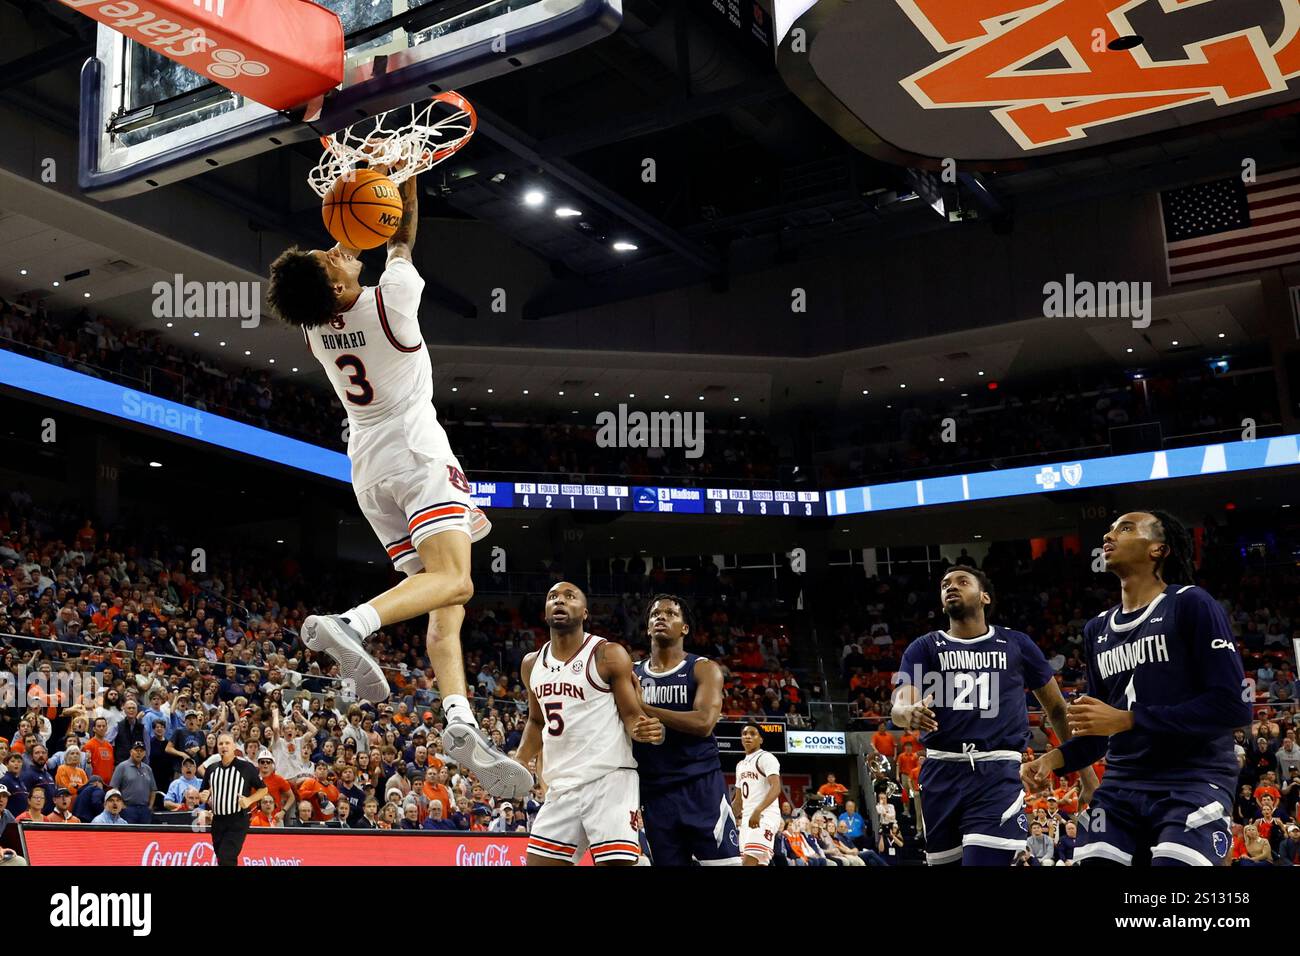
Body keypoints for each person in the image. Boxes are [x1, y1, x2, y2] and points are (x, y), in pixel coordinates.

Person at [267, 162, 527, 801]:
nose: (338, 252)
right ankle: (351, 624)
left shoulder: (316, 325)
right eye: (332, 260)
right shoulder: (394, 301)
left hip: (367, 472)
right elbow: (400, 235)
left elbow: (351, 251)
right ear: (336, 286)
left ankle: (460, 722)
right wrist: (405, 175)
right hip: (417, 457)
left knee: (445, 600)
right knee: (459, 579)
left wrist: (364, 187)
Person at [1022, 511, 1252, 866]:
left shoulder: (1191, 602)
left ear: (1159, 549)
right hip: (1120, 786)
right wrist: (1053, 759)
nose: (1109, 535)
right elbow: (1101, 733)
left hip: (1191, 780)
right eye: (1110, 529)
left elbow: (1234, 708)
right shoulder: (1096, 629)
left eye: (1125, 528)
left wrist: (1129, 719)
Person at [892, 566, 1095, 865]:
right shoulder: (925, 647)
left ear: (985, 596)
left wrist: (1087, 777)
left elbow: (1056, 709)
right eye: (945, 584)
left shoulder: (1016, 644)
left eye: (962, 582)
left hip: (996, 774)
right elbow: (901, 702)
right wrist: (904, 712)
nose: (951, 587)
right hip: (940, 774)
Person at [515, 581, 664, 866]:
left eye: (569, 596)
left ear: (585, 612)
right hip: (561, 786)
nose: (560, 601)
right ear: (545, 611)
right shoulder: (531, 664)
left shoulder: (607, 654)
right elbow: (536, 720)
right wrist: (521, 759)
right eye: (552, 597)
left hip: (609, 779)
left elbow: (631, 715)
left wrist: (642, 729)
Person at [631, 594, 738, 866]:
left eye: (670, 614)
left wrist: (643, 707)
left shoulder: (703, 668)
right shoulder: (632, 674)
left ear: (684, 628)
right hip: (655, 792)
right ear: (647, 627)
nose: (661, 618)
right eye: (655, 614)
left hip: (700, 785)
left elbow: (703, 723)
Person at [199, 733, 267, 866]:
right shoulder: (211, 769)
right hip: (217, 821)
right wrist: (204, 797)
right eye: (221, 744)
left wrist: (248, 800)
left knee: (226, 857)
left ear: (234, 746)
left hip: (237, 820)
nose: (224, 746)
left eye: (227, 743)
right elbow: (204, 792)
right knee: (222, 858)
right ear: (217, 747)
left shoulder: (246, 767)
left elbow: (263, 790)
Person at [732, 723, 782, 866]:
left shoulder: (766, 758)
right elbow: (738, 802)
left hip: (764, 816)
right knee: (757, 863)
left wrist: (758, 810)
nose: (747, 736)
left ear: (761, 739)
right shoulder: (740, 765)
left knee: (748, 863)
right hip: (747, 819)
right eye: (745, 733)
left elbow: (776, 787)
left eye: (753, 734)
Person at [108, 740, 157, 824]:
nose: (139, 753)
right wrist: (122, 805)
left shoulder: (148, 769)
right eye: (136, 750)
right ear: (131, 752)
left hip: (144, 809)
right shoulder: (122, 767)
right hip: (128, 808)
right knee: (129, 835)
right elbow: (114, 788)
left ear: (144, 753)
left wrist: (150, 806)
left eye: (141, 751)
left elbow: (153, 789)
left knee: (145, 835)